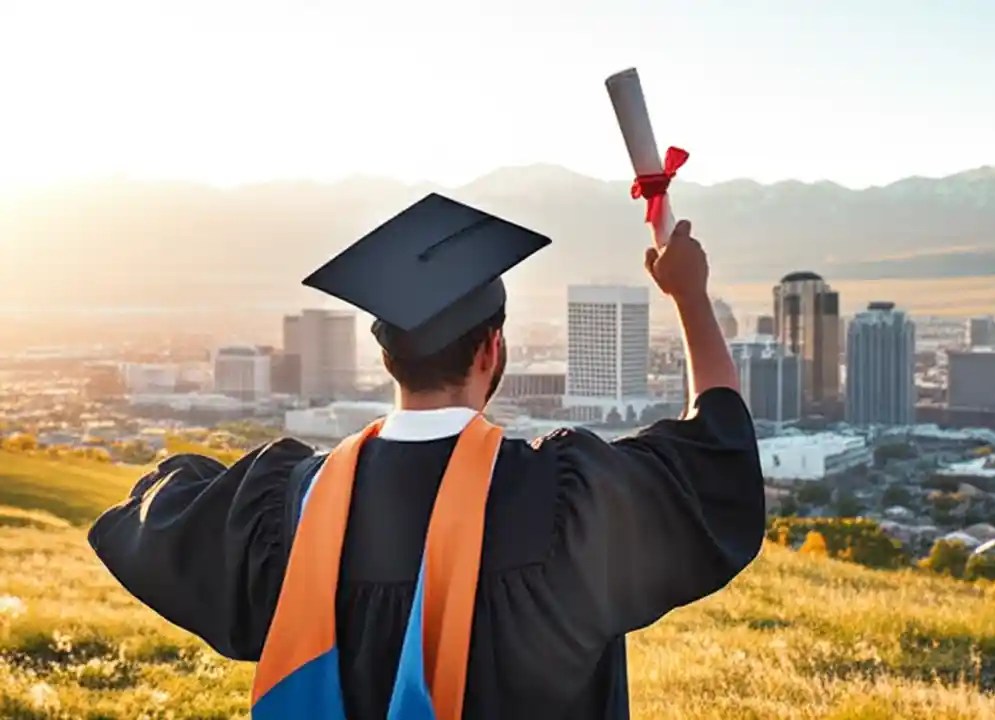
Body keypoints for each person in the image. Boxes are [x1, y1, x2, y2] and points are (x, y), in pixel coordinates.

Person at [90, 194, 765, 720]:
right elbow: (716, 454)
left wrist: (267, 481)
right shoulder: (571, 502)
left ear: (385, 358)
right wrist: (690, 296)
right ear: (490, 351)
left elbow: (159, 505)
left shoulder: (290, 507)